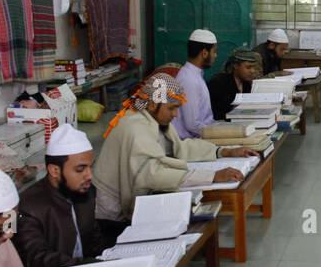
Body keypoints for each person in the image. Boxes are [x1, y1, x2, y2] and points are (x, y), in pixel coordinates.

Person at [92, 72, 255, 230]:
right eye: (172, 108)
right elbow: (152, 174)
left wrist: (224, 151)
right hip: (111, 211)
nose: (176, 115)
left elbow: (180, 148)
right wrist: (212, 175)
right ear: (153, 104)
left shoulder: (153, 118)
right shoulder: (135, 127)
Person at [13, 123, 106, 267]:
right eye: (80, 169)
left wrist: (106, 261)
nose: (89, 176)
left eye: (90, 167)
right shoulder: (26, 207)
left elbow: (93, 236)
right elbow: (36, 257)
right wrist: (84, 266)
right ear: (54, 171)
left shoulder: (86, 191)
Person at [173, 29, 218, 139]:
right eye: (214, 51)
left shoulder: (194, 75)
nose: (215, 56)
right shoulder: (189, 80)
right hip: (191, 143)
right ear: (204, 53)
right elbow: (192, 125)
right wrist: (218, 134)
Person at [208, 47, 262, 122]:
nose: (252, 71)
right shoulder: (218, 83)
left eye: (254, 67)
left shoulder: (246, 84)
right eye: (248, 67)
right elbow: (217, 114)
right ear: (236, 66)